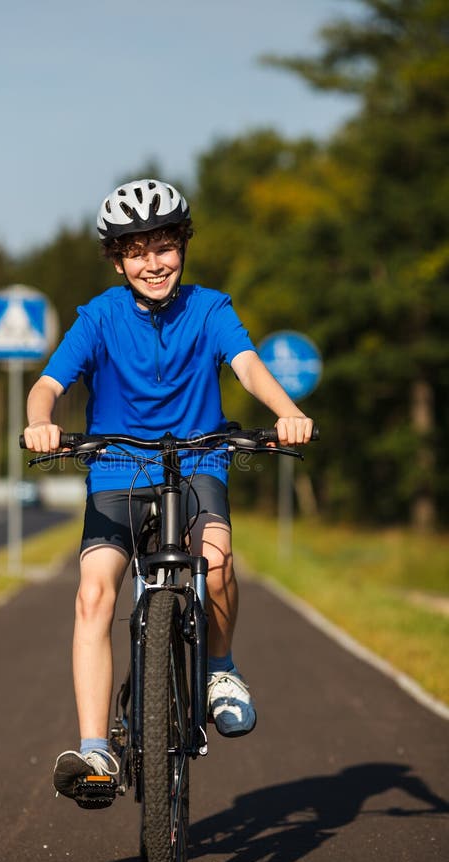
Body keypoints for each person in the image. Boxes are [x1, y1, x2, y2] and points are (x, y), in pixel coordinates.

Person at [24, 178, 313, 803]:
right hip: (118, 468)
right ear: (118, 259)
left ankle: (220, 668)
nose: (153, 264)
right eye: (137, 252)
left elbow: (247, 365)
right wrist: (40, 421)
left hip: (196, 461)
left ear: (182, 246)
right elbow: (49, 382)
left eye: (164, 247)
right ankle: (97, 748)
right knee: (95, 593)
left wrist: (288, 411)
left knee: (217, 558)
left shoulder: (210, 309)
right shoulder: (99, 316)